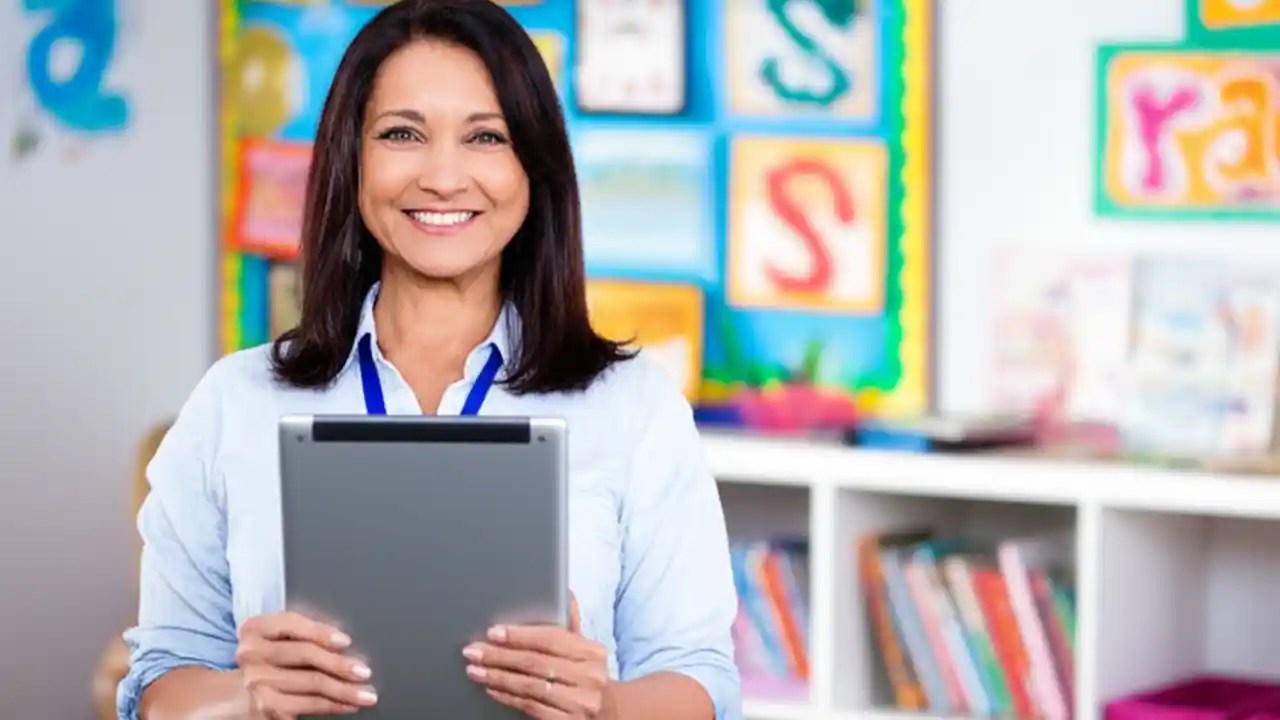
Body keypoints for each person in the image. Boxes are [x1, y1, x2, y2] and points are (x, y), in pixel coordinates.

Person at [115, 0, 742, 718]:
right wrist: (244, 697)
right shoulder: (235, 401)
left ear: (534, 167)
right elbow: (160, 686)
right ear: (352, 159)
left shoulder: (633, 408)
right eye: (402, 133)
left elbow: (701, 685)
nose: (444, 177)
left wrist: (602, 706)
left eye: (486, 137)